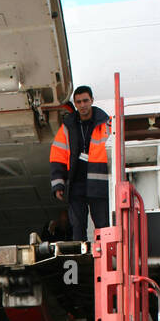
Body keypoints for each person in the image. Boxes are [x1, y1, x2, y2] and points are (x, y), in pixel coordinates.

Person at [49, 86, 112, 240]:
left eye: (85, 101)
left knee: (103, 225)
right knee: (77, 226)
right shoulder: (68, 126)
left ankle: (105, 256)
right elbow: (58, 155)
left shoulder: (107, 124)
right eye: (79, 102)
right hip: (77, 183)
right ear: (75, 104)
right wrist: (58, 184)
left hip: (99, 183)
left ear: (92, 100)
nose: (83, 105)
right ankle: (81, 257)